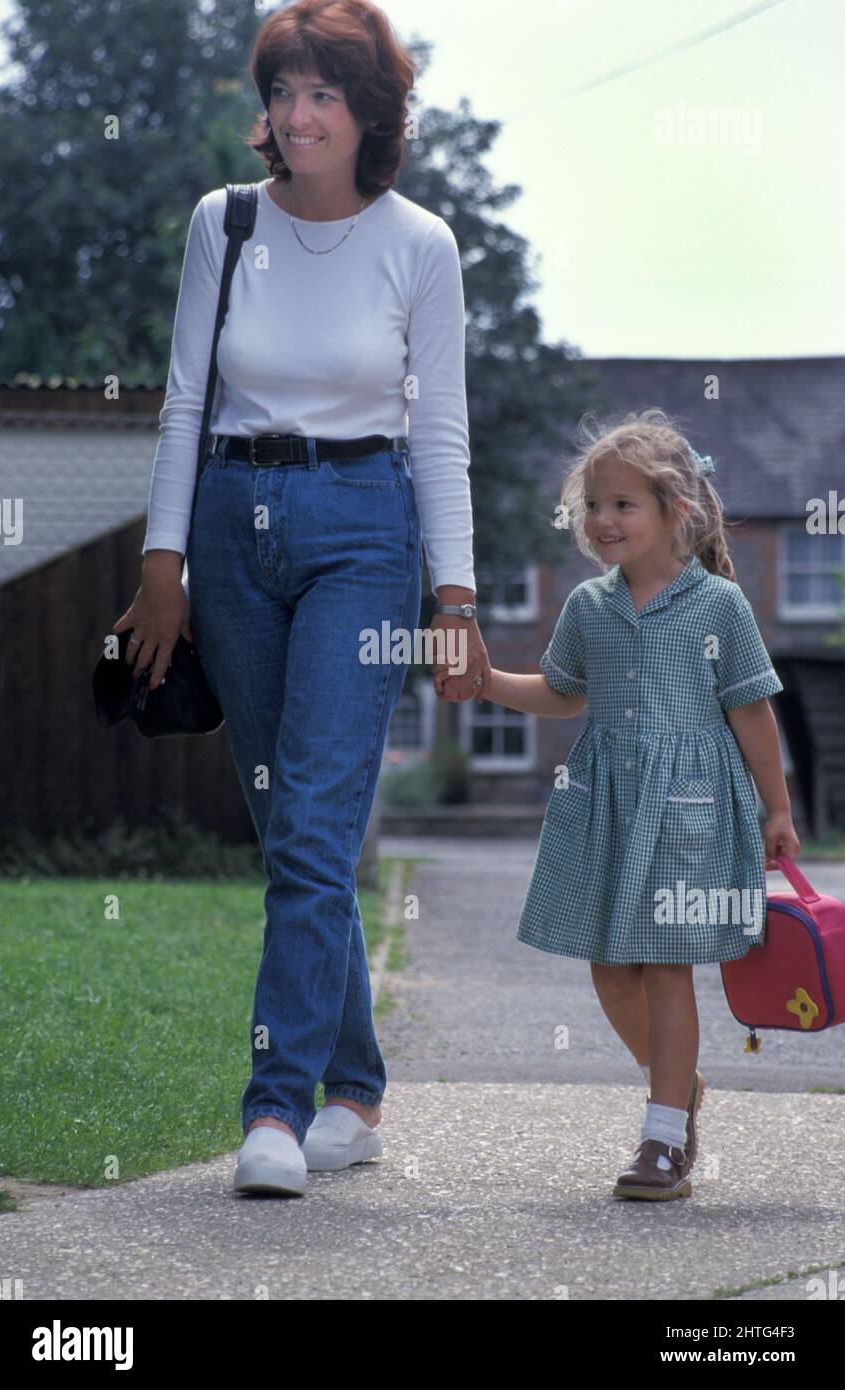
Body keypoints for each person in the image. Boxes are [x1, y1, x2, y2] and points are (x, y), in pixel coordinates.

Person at [113, 0, 490, 1196]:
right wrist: (159, 565)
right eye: (283, 90)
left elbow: (440, 431)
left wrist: (459, 594)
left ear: (370, 110)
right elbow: (182, 400)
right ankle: (359, 1088)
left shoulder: (420, 243)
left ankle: (275, 1109)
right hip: (231, 527)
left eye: (324, 91)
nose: (298, 112)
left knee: (316, 829)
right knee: (293, 835)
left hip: (363, 535)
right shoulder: (222, 226)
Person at [470, 407, 800, 1201]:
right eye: (592, 504)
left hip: (692, 806)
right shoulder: (588, 605)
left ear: (673, 512)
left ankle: (660, 1141)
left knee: (663, 968)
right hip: (606, 804)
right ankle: (676, 1088)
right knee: (609, 966)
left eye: (622, 504)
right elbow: (560, 693)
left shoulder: (719, 606)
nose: (603, 520)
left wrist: (777, 811)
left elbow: (751, 710)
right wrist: (484, 682)